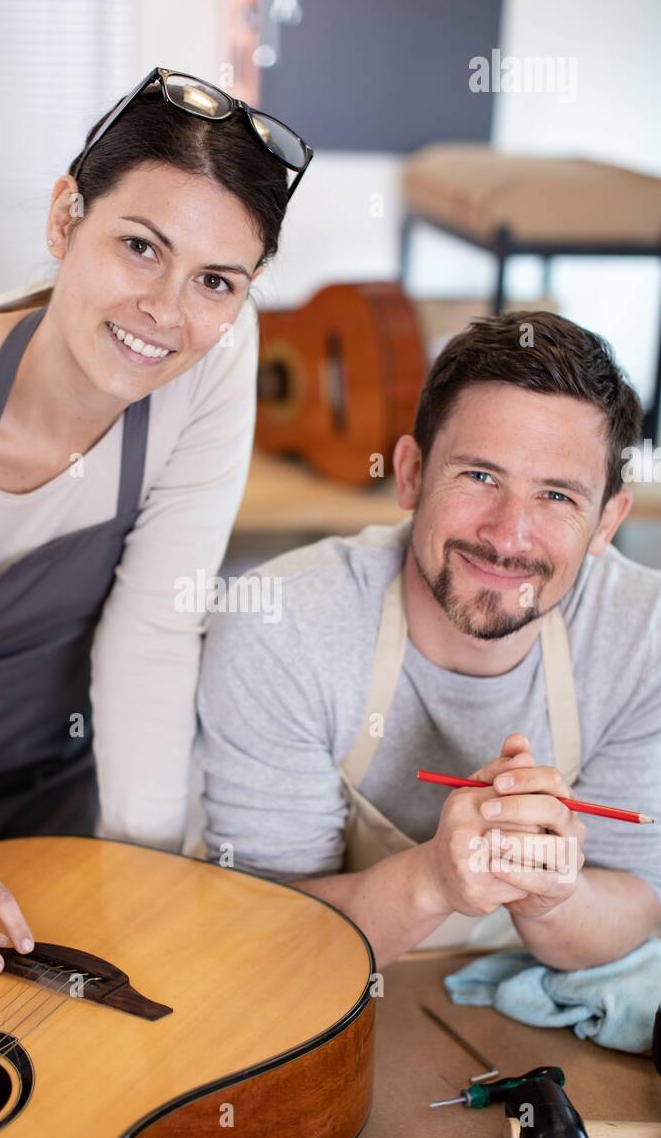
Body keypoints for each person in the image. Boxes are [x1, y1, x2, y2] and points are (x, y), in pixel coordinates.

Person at [0, 67, 313, 971]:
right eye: (141, 247)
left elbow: (151, 638)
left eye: (217, 282)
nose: (167, 314)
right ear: (65, 217)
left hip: (54, 810)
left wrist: (144, 877)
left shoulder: (214, 364)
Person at [196, 310, 661, 970]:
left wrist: (552, 898)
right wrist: (435, 881)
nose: (507, 536)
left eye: (556, 496)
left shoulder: (645, 638)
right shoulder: (280, 625)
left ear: (607, 520)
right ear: (411, 473)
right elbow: (260, 936)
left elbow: (638, 903)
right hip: (318, 1004)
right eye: (479, 476)